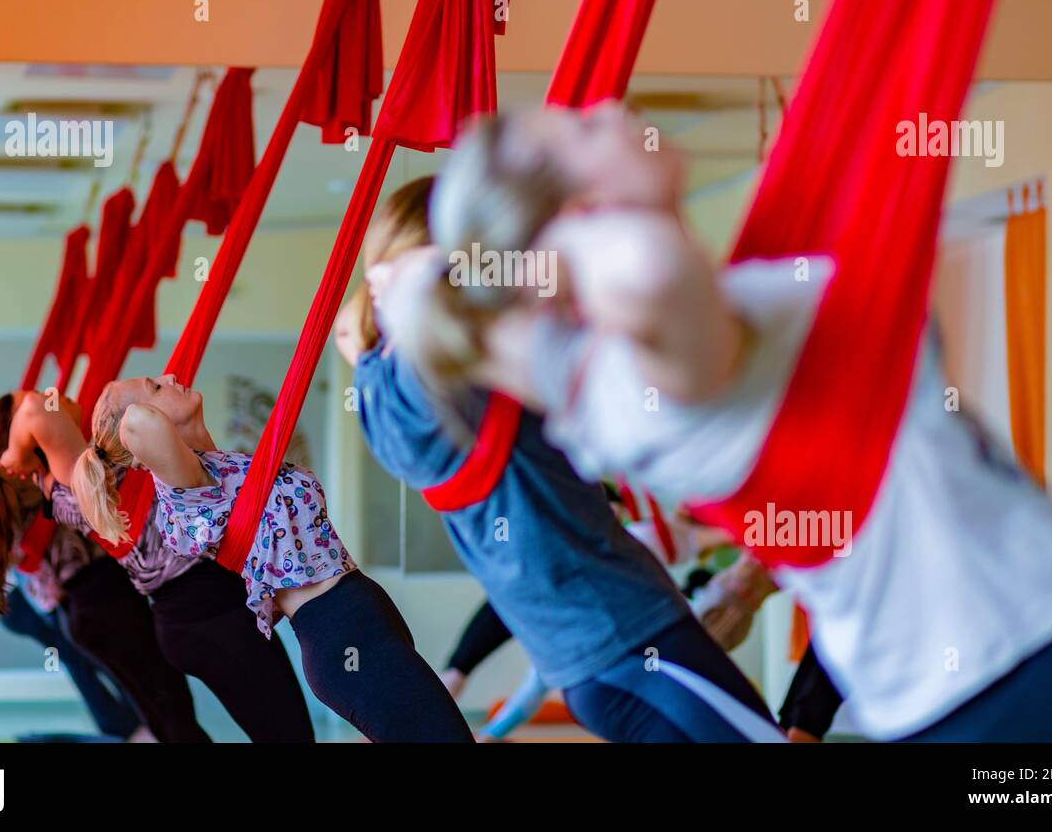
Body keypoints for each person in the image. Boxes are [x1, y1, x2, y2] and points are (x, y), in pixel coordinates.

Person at [378, 102, 1052, 743]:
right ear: (573, 212)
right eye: (582, 132)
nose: (610, 111)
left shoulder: (687, 320)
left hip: (1037, 645)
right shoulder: (631, 378)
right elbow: (646, 271)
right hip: (1034, 672)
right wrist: (556, 247)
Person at [336, 177, 784, 744]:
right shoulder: (443, 379)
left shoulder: (378, 387)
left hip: (589, 655)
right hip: (630, 631)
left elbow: (356, 329)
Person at [67, 375, 473, 743]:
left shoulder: (221, 467)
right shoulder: (186, 495)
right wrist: (122, 420)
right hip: (340, 632)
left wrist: (156, 404)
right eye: (156, 386)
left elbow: (147, 422)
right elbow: (136, 422)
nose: (172, 376)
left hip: (361, 616)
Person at [0, 390, 316, 743]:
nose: (52, 391)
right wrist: (14, 454)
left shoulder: (77, 466)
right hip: (199, 608)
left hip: (199, 605)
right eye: (36, 394)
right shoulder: (68, 473)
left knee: (286, 731)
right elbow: (38, 411)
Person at [0, 432, 205, 742]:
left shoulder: (7, 499)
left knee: (148, 697)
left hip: (83, 606)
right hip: (96, 599)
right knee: (161, 698)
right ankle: (131, 731)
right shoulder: (13, 490)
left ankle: (134, 732)